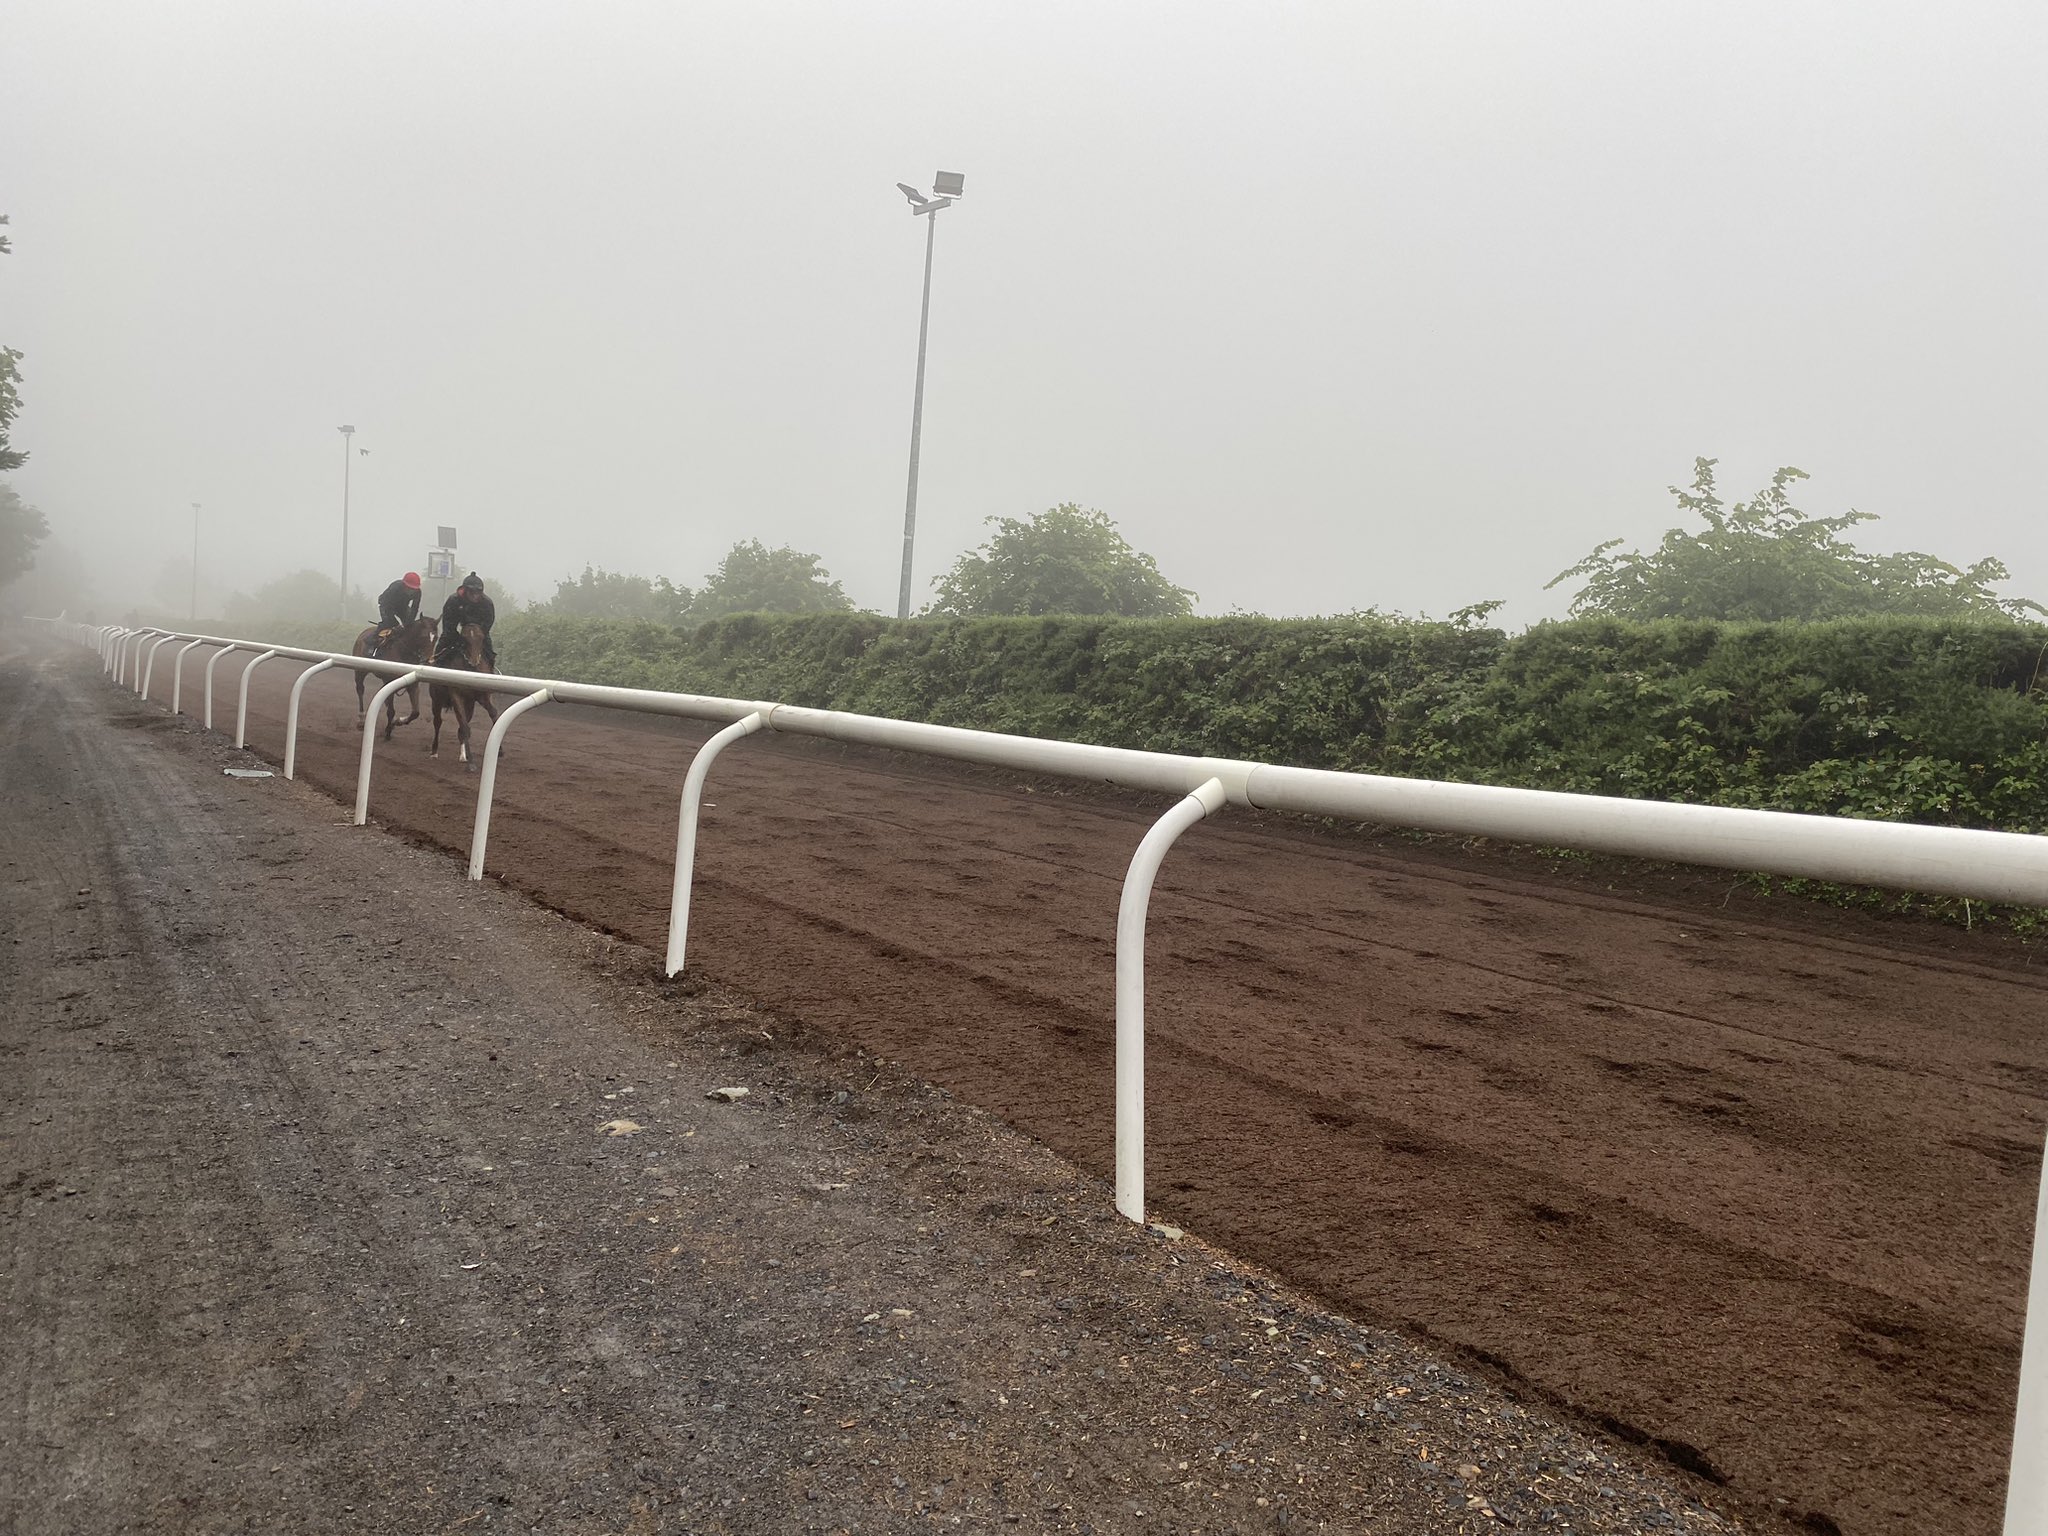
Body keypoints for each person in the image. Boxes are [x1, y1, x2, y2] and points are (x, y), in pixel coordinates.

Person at [436, 571, 498, 669]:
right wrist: (459, 639)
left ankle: (492, 670)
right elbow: (448, 626)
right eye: (472, 593)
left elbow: (488, 623)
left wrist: (479, 633)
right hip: (458, 628)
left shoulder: (487, 603)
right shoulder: (453, 600)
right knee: (441, 648)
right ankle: (435, 668)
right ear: (465, 591)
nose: (475, 596)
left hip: (479, 630)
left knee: (489, 653)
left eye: (478, 593)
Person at [369, 571, 423, 656]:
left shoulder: (418, 592)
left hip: (402, 607)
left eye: (413, 589)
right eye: (409, 588)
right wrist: (396, 624)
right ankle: (372, 643)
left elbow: (414, 608)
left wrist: (409, 623)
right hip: (386, 604)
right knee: (389, 623)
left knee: (410, 626)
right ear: (404, 585)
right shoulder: (396, 587)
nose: (411, 591)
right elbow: (388, 606)